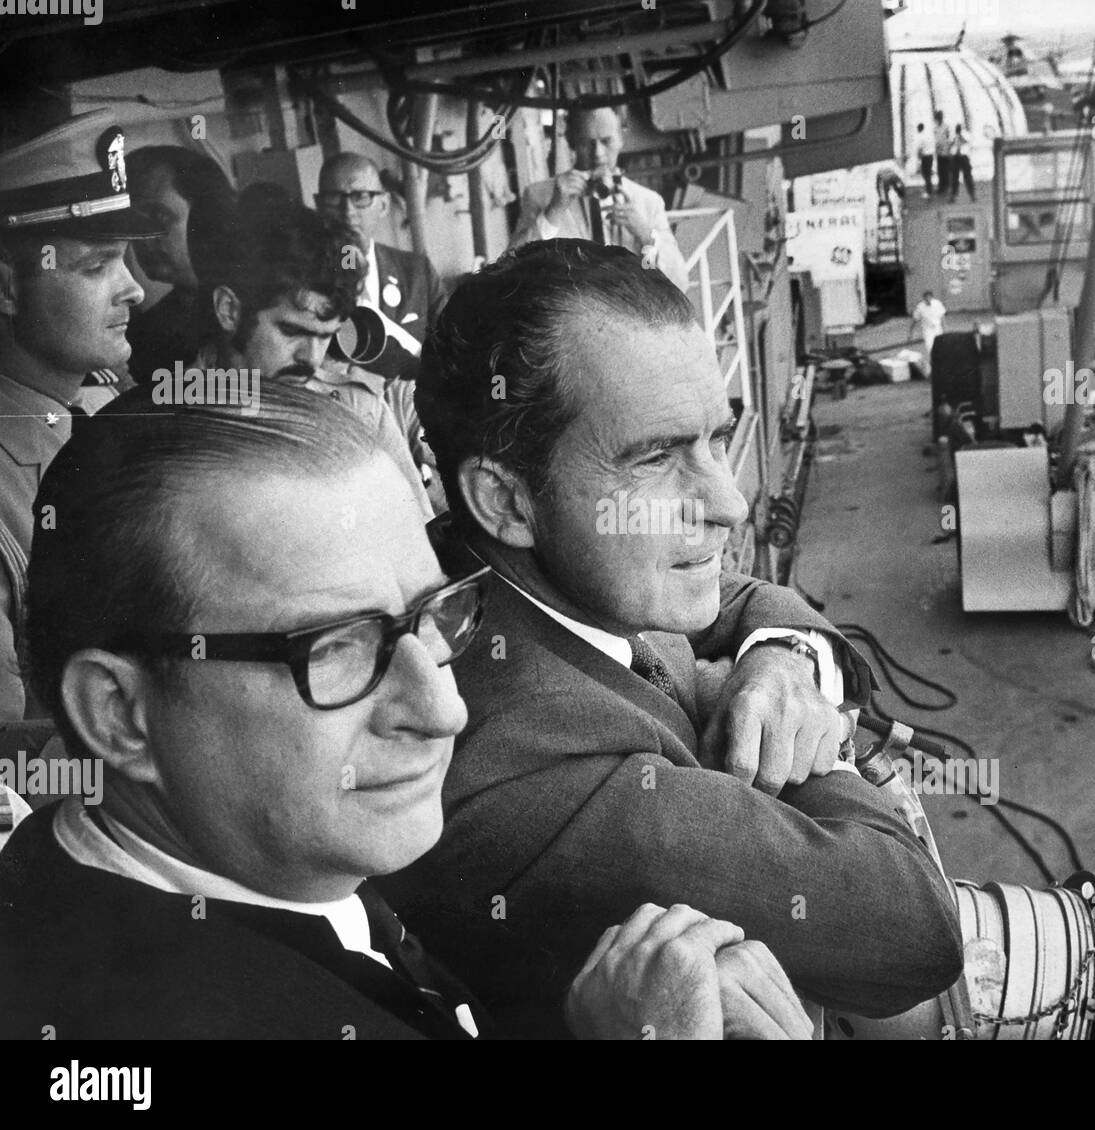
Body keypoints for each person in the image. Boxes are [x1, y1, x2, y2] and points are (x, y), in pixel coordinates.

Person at [0, 382, 812, 1041]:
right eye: (335, 647)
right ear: (118, 714)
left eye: (432, 616)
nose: (441, 707)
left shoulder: (240, 863)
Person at [379, 240, 964, 1037]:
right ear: (506, 501)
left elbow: (738, 598)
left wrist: (782, 660)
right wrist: (802, 747)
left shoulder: (532, 571)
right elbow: (916, 928)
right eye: (655, 458)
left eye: (715, 441)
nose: (726, 504)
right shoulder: (524, 772)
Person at [0, 111, 162, 720]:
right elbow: (7, 761)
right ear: (7, 289)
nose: (134, 290)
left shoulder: (106, 406)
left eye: (124, 260)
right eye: (95, 267)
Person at [196, 190, 443, 514]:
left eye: (325, 337)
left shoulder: (360, 410)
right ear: (228, 310)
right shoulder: (173, 415)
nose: (310, 358)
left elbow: (419, 535)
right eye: (292, 331)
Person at [509, 106, 689, 291]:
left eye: (606, 141)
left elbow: (678, 284)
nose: (598, 154)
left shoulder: (649, 203)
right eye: (586, 143)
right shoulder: (539, 195)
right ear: (571, 142)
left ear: (621, 138)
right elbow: (510, 269)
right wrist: (553, 213)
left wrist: (645, 235)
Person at [125, 145, 236, 383]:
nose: (143, 238)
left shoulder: (259, 305)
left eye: (159, 216)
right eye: (135, 222)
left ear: (207, 217)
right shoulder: (145, 336)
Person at [315, 152, 447, 343]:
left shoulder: (418, 272)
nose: (348, 211)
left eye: (361, 196)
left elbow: (455, 353)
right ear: (319, 205)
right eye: (334, 197)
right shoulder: (303, 274)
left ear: (383, 205)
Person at [911, 289, 947, 377]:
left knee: (941, 348)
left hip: (938, 329)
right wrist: (911, 332)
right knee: (931, 348)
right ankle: (935, 369)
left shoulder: (937, 304)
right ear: (923, 298)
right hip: (927, 331)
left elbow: (942, 316)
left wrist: (945, 328)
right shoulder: (920, 307)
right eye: (926, 298)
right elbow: (915, 320)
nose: (928, 299)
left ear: (932, 297)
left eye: (929, 297)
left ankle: (942, 368)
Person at [949, 125, 975, 203]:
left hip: (964, 157)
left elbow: (968, 142)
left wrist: (960, 136)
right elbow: (951, 144)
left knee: (967, 177)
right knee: (954, 177)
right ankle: (953, 195)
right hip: (956, 157)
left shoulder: (965, 135)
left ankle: (972, 194)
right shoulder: (954, 137)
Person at [933, 111, 953, 198]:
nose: (938, 119)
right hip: (939, 152)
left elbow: (950, 139)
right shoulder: (936, 128)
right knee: (940, 170)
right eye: (937, 118)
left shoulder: (946, 127)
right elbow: (936, 140)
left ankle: (948, 187)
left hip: (946, 152)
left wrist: (948, 148)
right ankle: (941, 187)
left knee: (946, 170)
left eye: (939, 117)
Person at [915, 121, 934, 197]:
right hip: (930, 156)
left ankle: (928, 191)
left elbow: (919, 149)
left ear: (919, 128)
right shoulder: (928, 135)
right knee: (928, 174)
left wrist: (918, 159)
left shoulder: (920, 136)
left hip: (925, 157)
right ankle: (929, 189)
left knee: (925, 174)